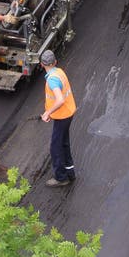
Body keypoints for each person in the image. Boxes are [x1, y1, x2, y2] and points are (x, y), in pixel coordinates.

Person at [40, 49, 77, 187]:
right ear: (55, 62)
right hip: (68, 113)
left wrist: (47, 113)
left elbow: (60, 99)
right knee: (64, 143)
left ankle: (61, 178)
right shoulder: (59, 72)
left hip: (62, 116)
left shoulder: (52, 80)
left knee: (55, 147)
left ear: (42, 64)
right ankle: (70, 172)